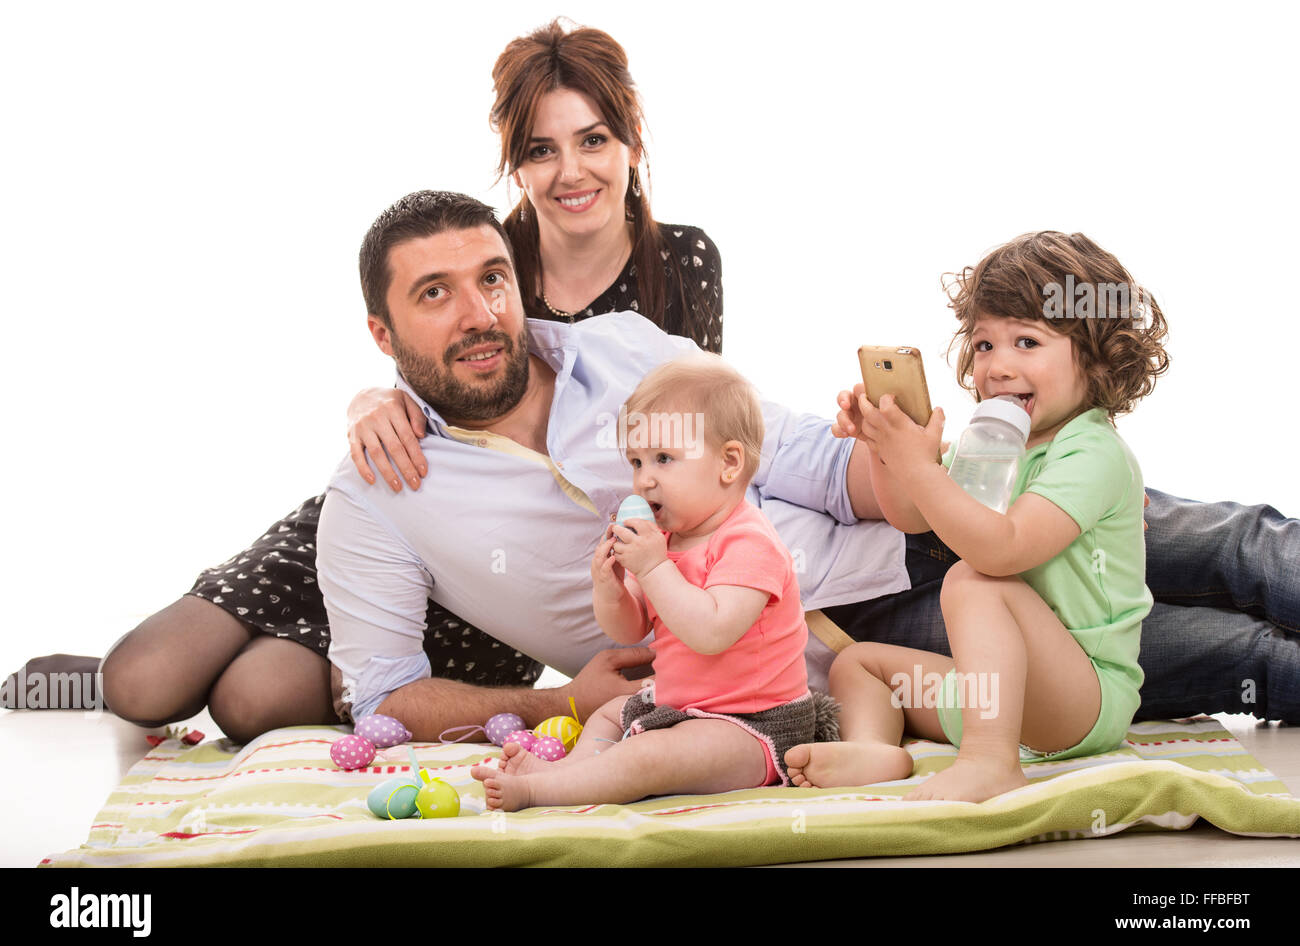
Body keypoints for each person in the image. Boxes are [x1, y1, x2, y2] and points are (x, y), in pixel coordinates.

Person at [320, 189, 1299, 751]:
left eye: (490, 278)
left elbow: (812, 467)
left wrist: (894, 454)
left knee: (1243, 547)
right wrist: (562, 702)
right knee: (1229, 659)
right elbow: (387, 697)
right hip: (854, 644)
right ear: (381, 329)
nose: (477, 310)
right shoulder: (373, 499)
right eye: (434, 293)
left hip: (927, 517)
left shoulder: (614, 347)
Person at [8, 20, 723, 743]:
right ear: (517, 166)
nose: (571, 172)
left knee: (255, 698)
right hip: (402, 485)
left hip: (501, 567)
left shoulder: (682, 261)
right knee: (146, 675)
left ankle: (338, 678)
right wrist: (371, 399)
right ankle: (97, 675)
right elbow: (427, 357)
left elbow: (694, 441)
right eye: (542, 150)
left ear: (631, 139)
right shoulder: (493, 254)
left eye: (593, 139)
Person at [787, 232, 1164, 802]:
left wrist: (920, 465)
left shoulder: (1093, 452)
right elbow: (912, 516)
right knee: (860, 664)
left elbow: (1002, 548)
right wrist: (888, 450)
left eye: (1026, 341)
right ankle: (873, 749)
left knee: (975, 580)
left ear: (1095, 355)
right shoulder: (994, 442)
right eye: (985, 345)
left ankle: (990, 761)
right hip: (993, 695)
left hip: (1080, 700)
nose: (999, 366)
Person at [472, 353, 817, 811]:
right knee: (610, 715)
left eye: (663, 459)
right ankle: (570, 772)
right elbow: (629, 628)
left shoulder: (750, 543)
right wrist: (609, 586)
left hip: (753, 725)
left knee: (650, 755)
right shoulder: (667, 541)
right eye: (636, 461)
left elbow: (710, 633)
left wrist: (654, 569)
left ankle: (542, 791)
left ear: (729, 463)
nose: (644, 479)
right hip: (679, 708)